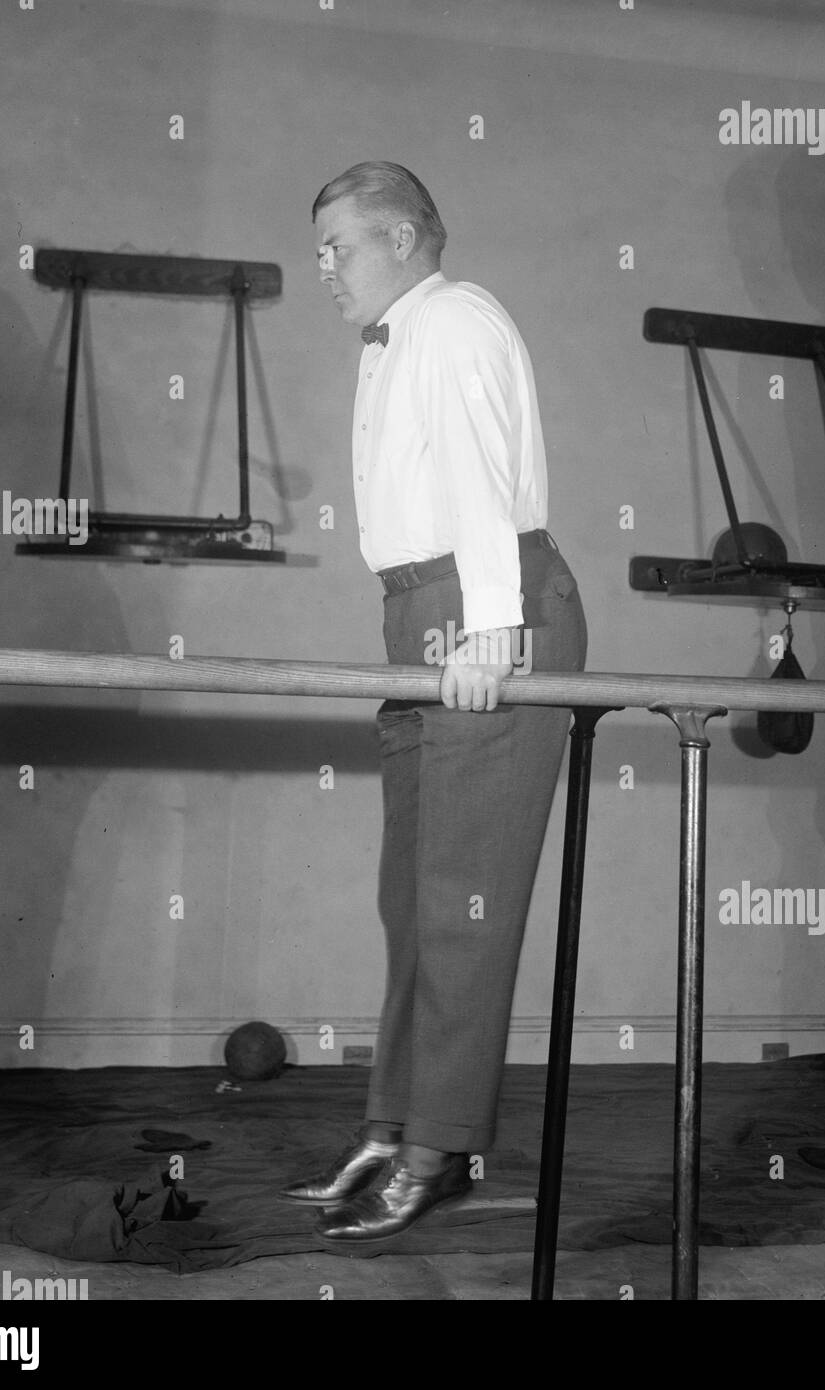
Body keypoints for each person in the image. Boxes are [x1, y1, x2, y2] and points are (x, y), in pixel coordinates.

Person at [280, 162, 586, 1250]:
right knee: (409, 902)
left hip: (482, 605)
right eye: (317, 250)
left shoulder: (452, 320)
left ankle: (440, 1148)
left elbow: (478, 475)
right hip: (416, 610)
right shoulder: (394, 342)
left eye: (339, 247)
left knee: (462, 902)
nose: (322, 269)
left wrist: (493, 630)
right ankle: (391, 1125)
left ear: (405, 236)